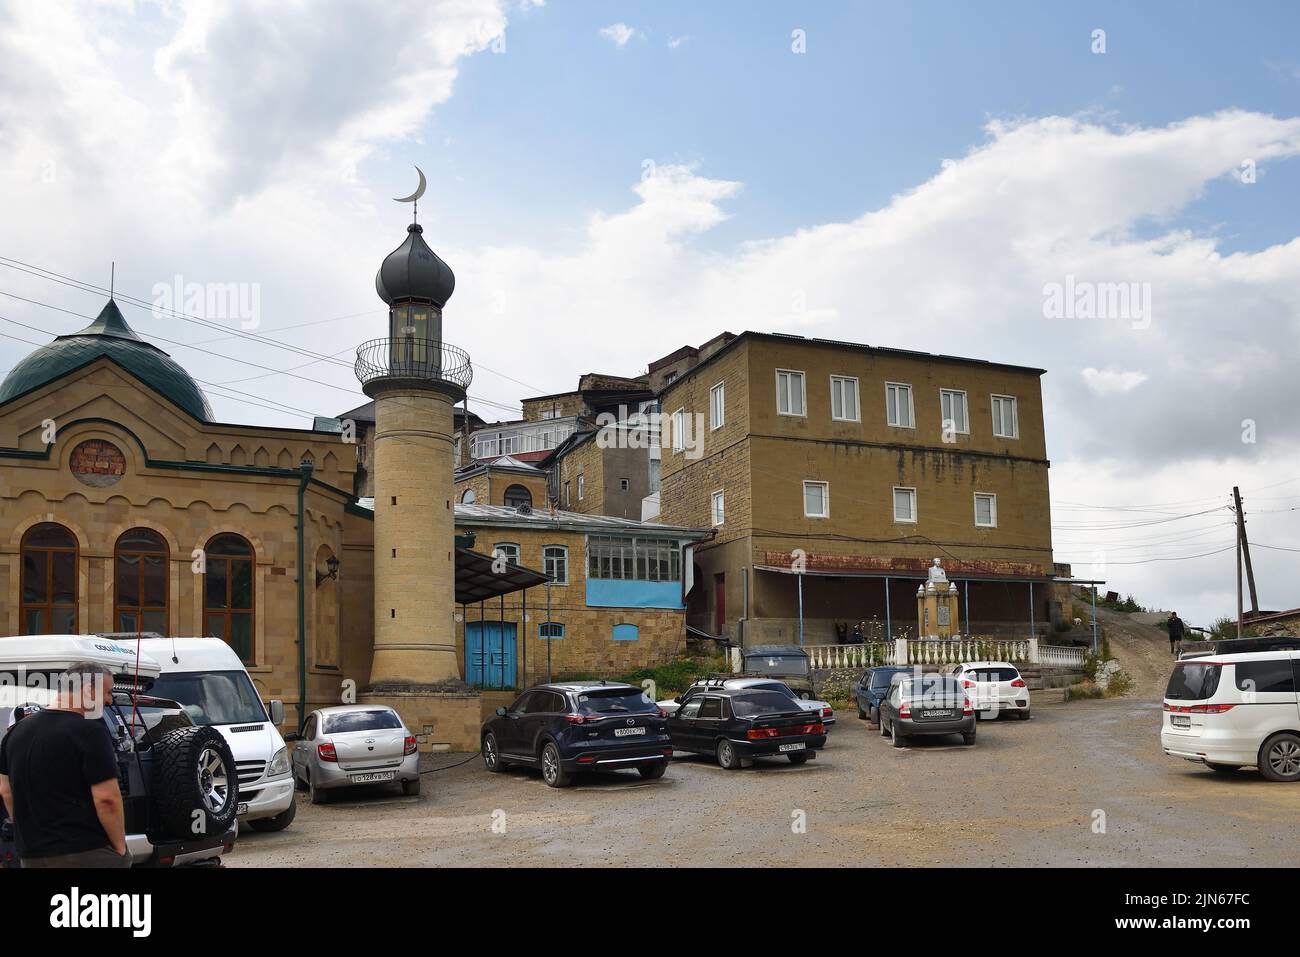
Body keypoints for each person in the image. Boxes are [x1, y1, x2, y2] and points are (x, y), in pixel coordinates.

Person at [0, 663, 129, 868]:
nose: (109, 699)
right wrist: (121, 847)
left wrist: (29, 836)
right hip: (88, 851)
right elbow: (107, 799)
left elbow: (6, 791)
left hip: (31, 855)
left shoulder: (15, 733)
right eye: (107, 692)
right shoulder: (90, 731)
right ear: (89, 689)